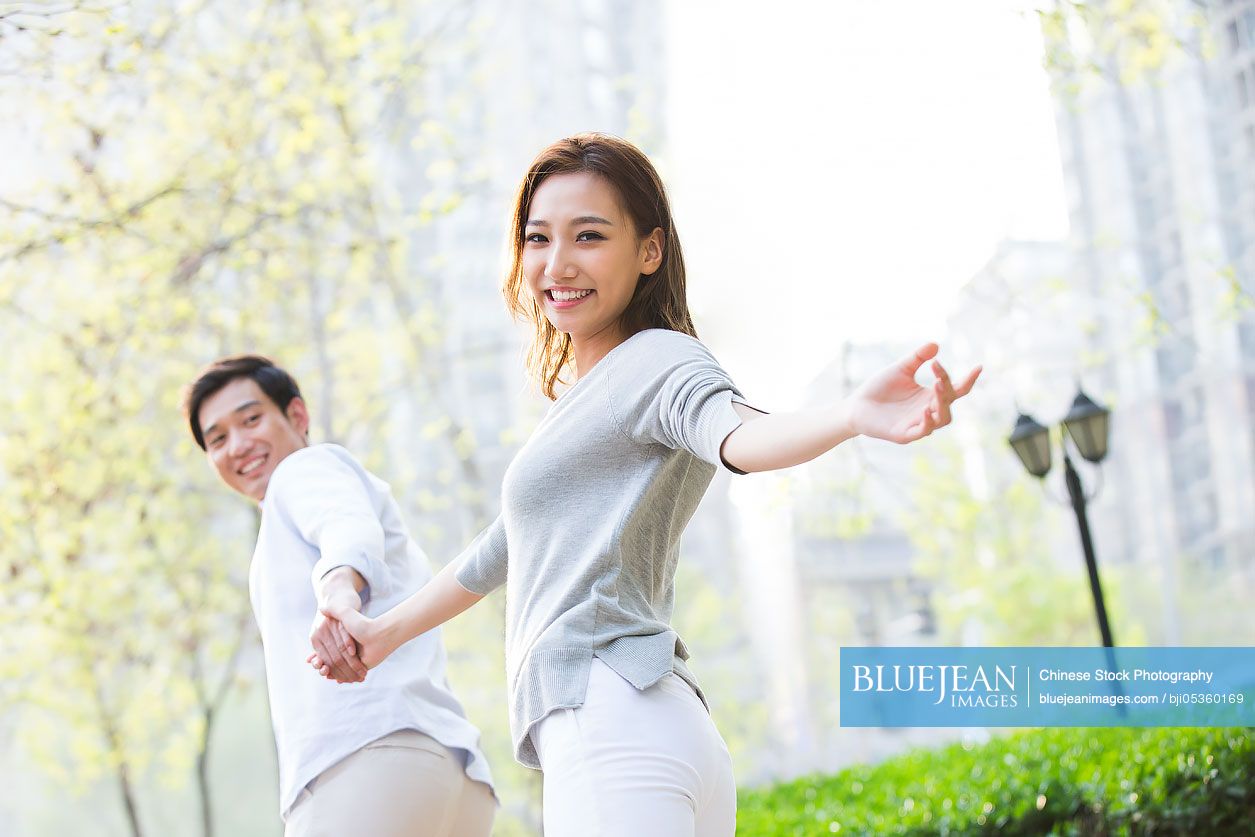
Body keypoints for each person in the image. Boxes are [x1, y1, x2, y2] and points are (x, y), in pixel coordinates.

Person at [310, 133, 981, 837]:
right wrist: (381, 633)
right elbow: (499, 549)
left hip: (610, 717)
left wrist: (849, 415)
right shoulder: (587, 404)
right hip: (646, 719)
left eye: (589, 236)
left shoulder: (659, 360)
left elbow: (736, 434)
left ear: (649, 251)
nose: (557, 263)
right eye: (538, 238)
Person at [184, 356, 496, 837]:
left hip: (367, 759)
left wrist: (337, 593)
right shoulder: (310, 501)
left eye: (251, 419)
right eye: (218, 438)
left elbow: (346, 527)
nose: (239, 445)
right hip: (450, 773)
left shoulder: (305, 470)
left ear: (297, 417)